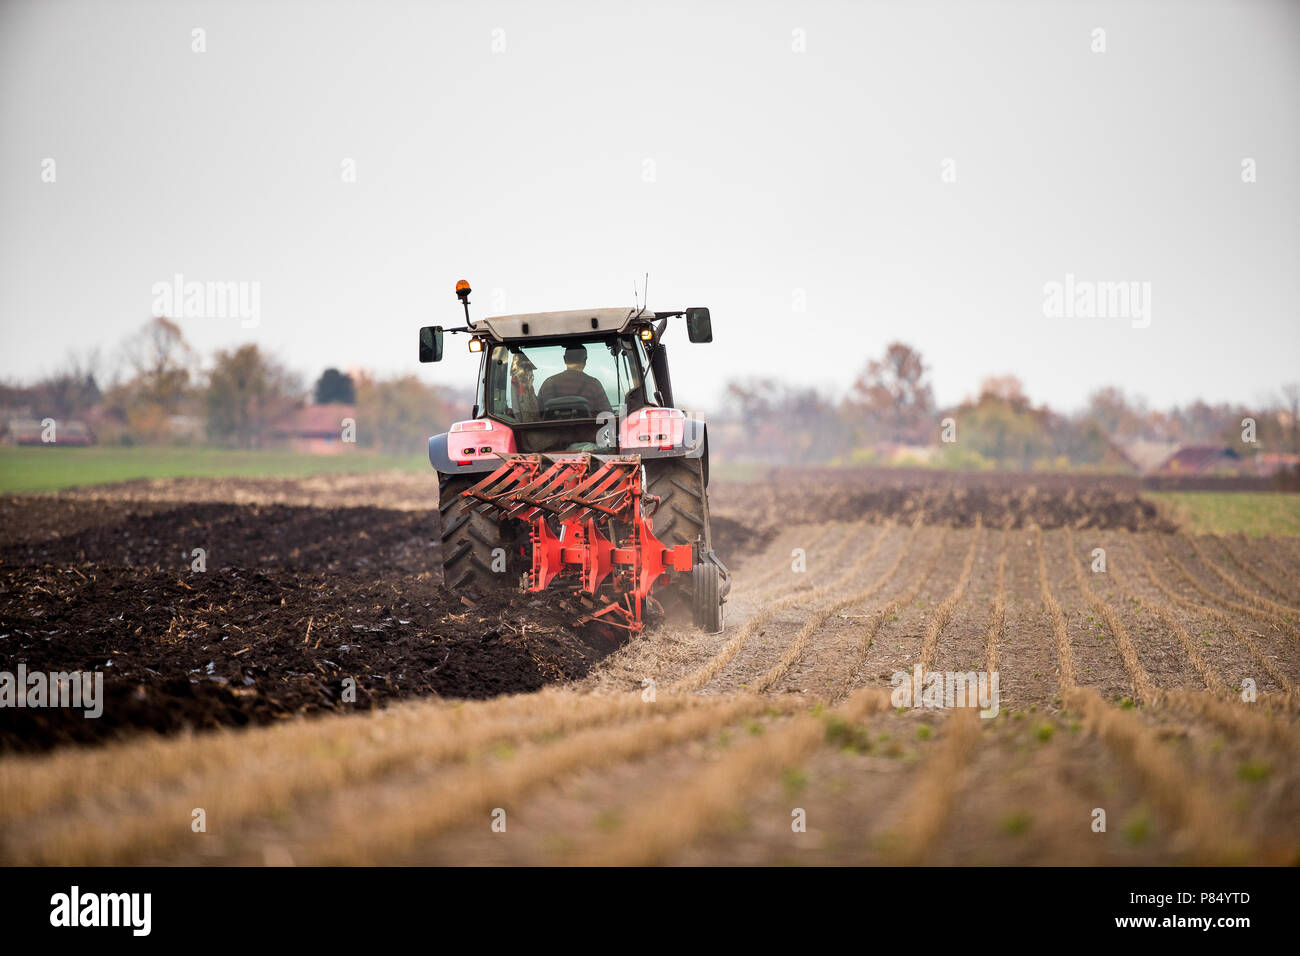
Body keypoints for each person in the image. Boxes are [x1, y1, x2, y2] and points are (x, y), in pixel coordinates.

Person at [537, 344, 612, 418]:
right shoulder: (594, 384)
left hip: (551, 430)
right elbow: (608, 415)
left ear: (564, 359)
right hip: (586, 430)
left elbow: (536, 415)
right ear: (585, 360)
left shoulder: (548, 383)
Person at [509, 351, 539, 421]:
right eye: (529, 371)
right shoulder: (518, 384)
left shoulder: (530, 389)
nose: (532, 376)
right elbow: (516, 407)